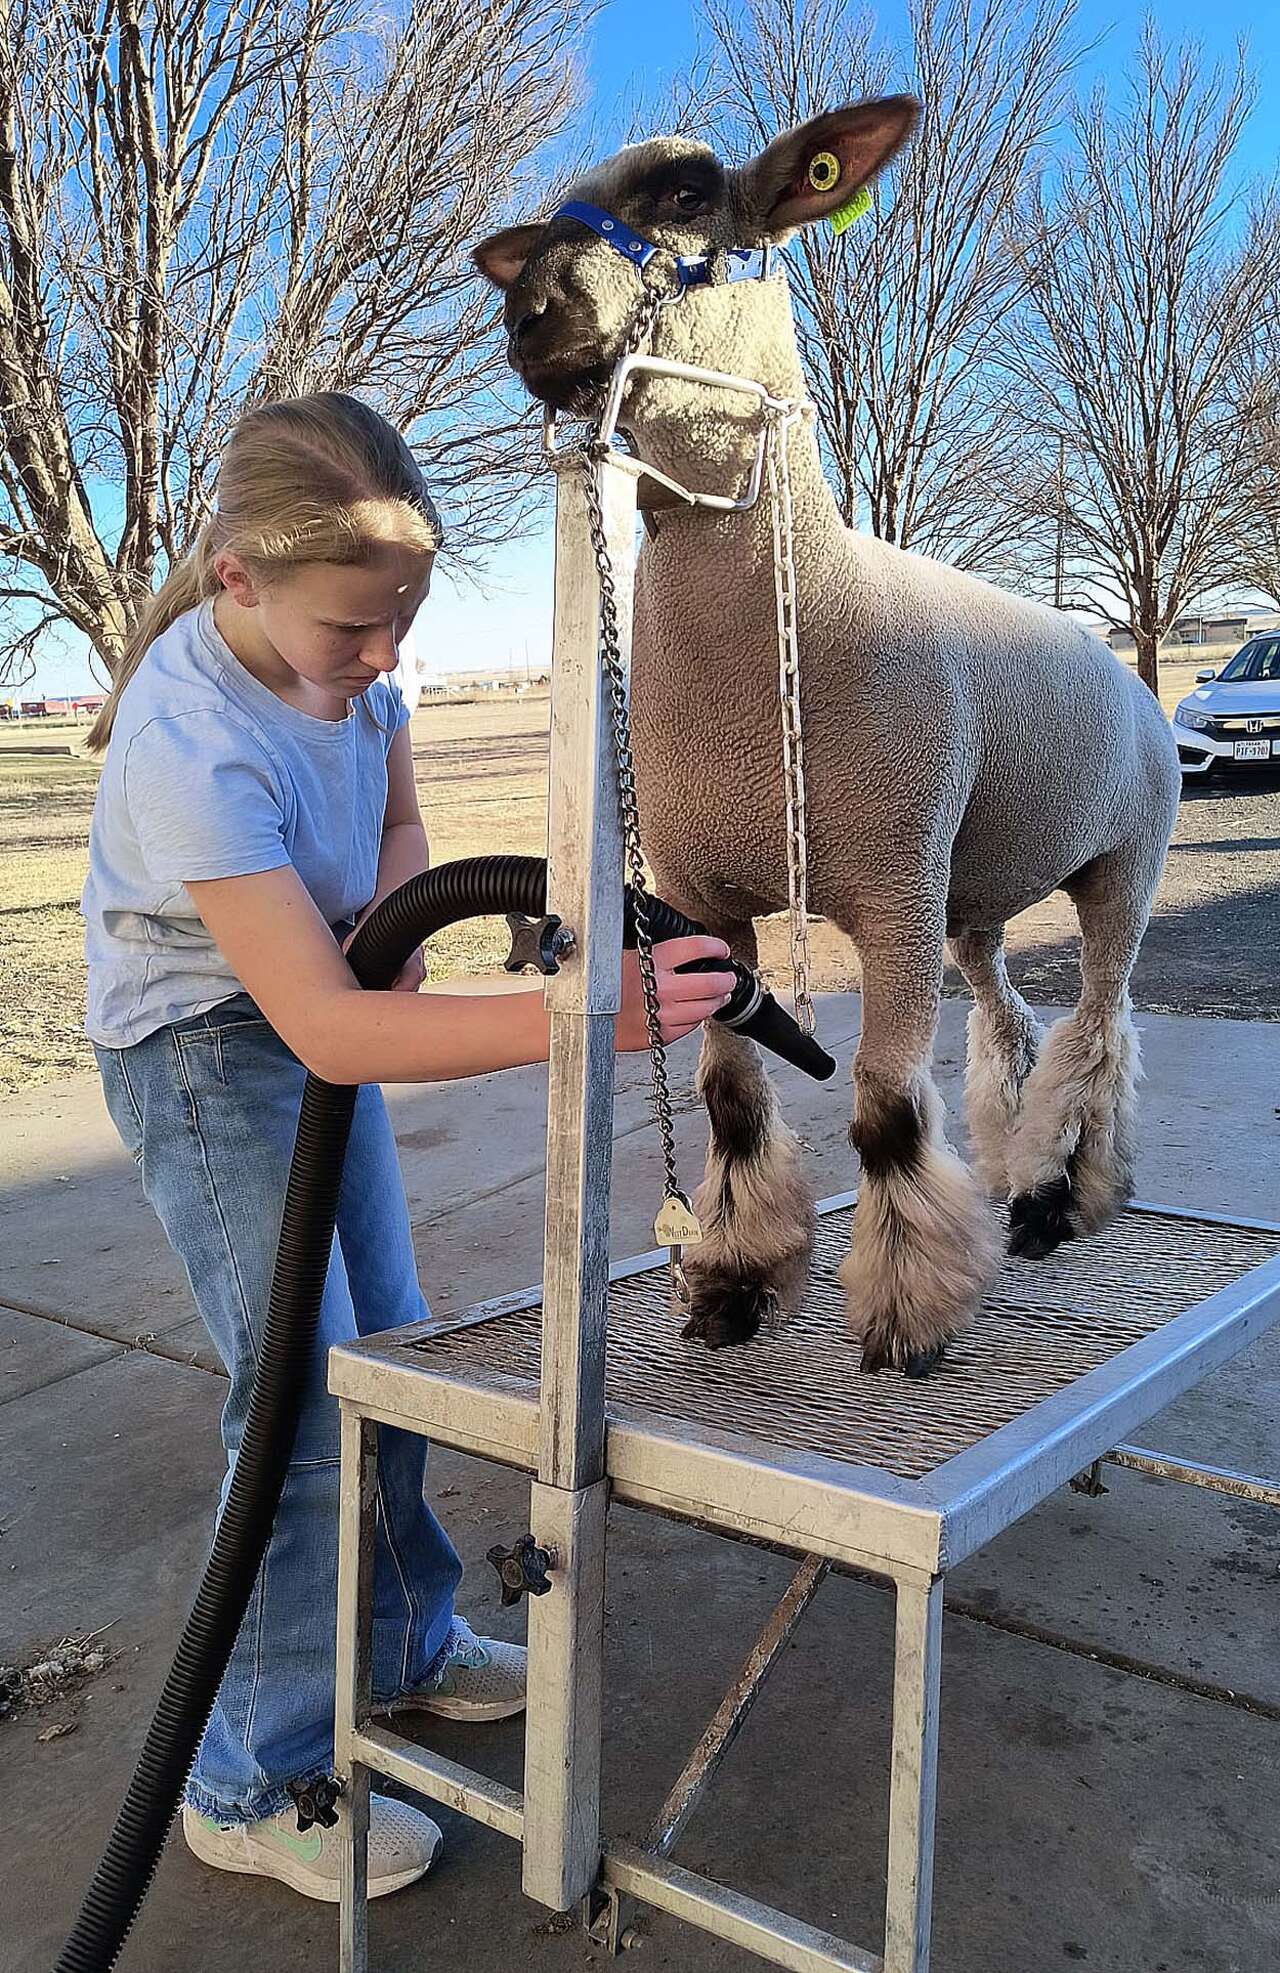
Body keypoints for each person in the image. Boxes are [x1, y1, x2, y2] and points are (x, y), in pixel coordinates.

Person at [82, 392, 734, 1904]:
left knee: (397, 1344)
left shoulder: (357, 667)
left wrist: (397, 926)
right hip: (204, 1054)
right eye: (354, 631)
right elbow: (316, 1030)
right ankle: (253, 1773)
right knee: (302, 1404)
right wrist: (582, 1017)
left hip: (310, 1006)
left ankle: (406, 1639)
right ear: (237, 577)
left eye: (401, 625)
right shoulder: (190, 737)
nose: (383, 658)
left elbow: (396, 832)